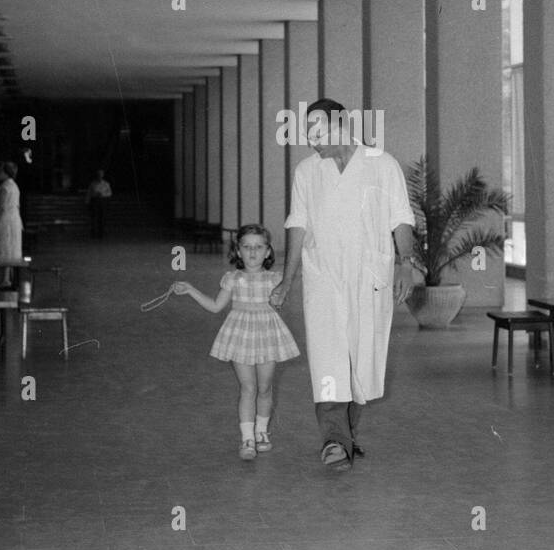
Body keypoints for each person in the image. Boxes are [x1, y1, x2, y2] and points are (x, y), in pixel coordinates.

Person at [270, 98, 415, 469]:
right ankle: (334, 439)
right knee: (327, 355)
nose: (311, 137)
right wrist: (287, 280)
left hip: (371, 276)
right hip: (324, 277)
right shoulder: (307, 171)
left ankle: (347, 435)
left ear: (342, 123)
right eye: (308, 130)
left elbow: (401, 218)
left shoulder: (382, 164)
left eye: (318, 127)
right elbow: (297, 225)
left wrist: (405, 265)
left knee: (362, 358)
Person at [173, 224, 299, 460]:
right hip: (239, 336)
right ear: (238, 251)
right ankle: (247, 438)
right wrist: (191, 289)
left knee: (264, 388)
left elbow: (285, 298)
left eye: (259, 247)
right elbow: (215, 306)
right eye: (247, 247)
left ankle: (261, 432)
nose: (253, 252)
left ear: (268, 251)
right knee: (248, 388)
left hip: (267, 337)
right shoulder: (232, 278)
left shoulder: (276, 279)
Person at [0, 160, 22, 285]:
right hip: (12, 220)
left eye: (0, 170)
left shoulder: (6, 187)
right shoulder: (13, 186)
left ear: (6, 173)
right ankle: (6, 277)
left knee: (4, 247)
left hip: (4, 221)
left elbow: (2, 209)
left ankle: (4, 278)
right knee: (9, 247)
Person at [86, 168, 112, 239]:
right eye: (98, 174)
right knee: (94, 217)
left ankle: (101, 233)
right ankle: (93, 233)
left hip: (102, 201)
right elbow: (89, 193)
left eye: (101, 174)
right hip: (95, 201)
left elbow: (109, 193)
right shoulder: (93, 184)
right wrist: (87, 202)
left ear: (103, 175)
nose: (100, 176)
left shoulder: (106, 184)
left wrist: (102, 194)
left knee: (102, 217)